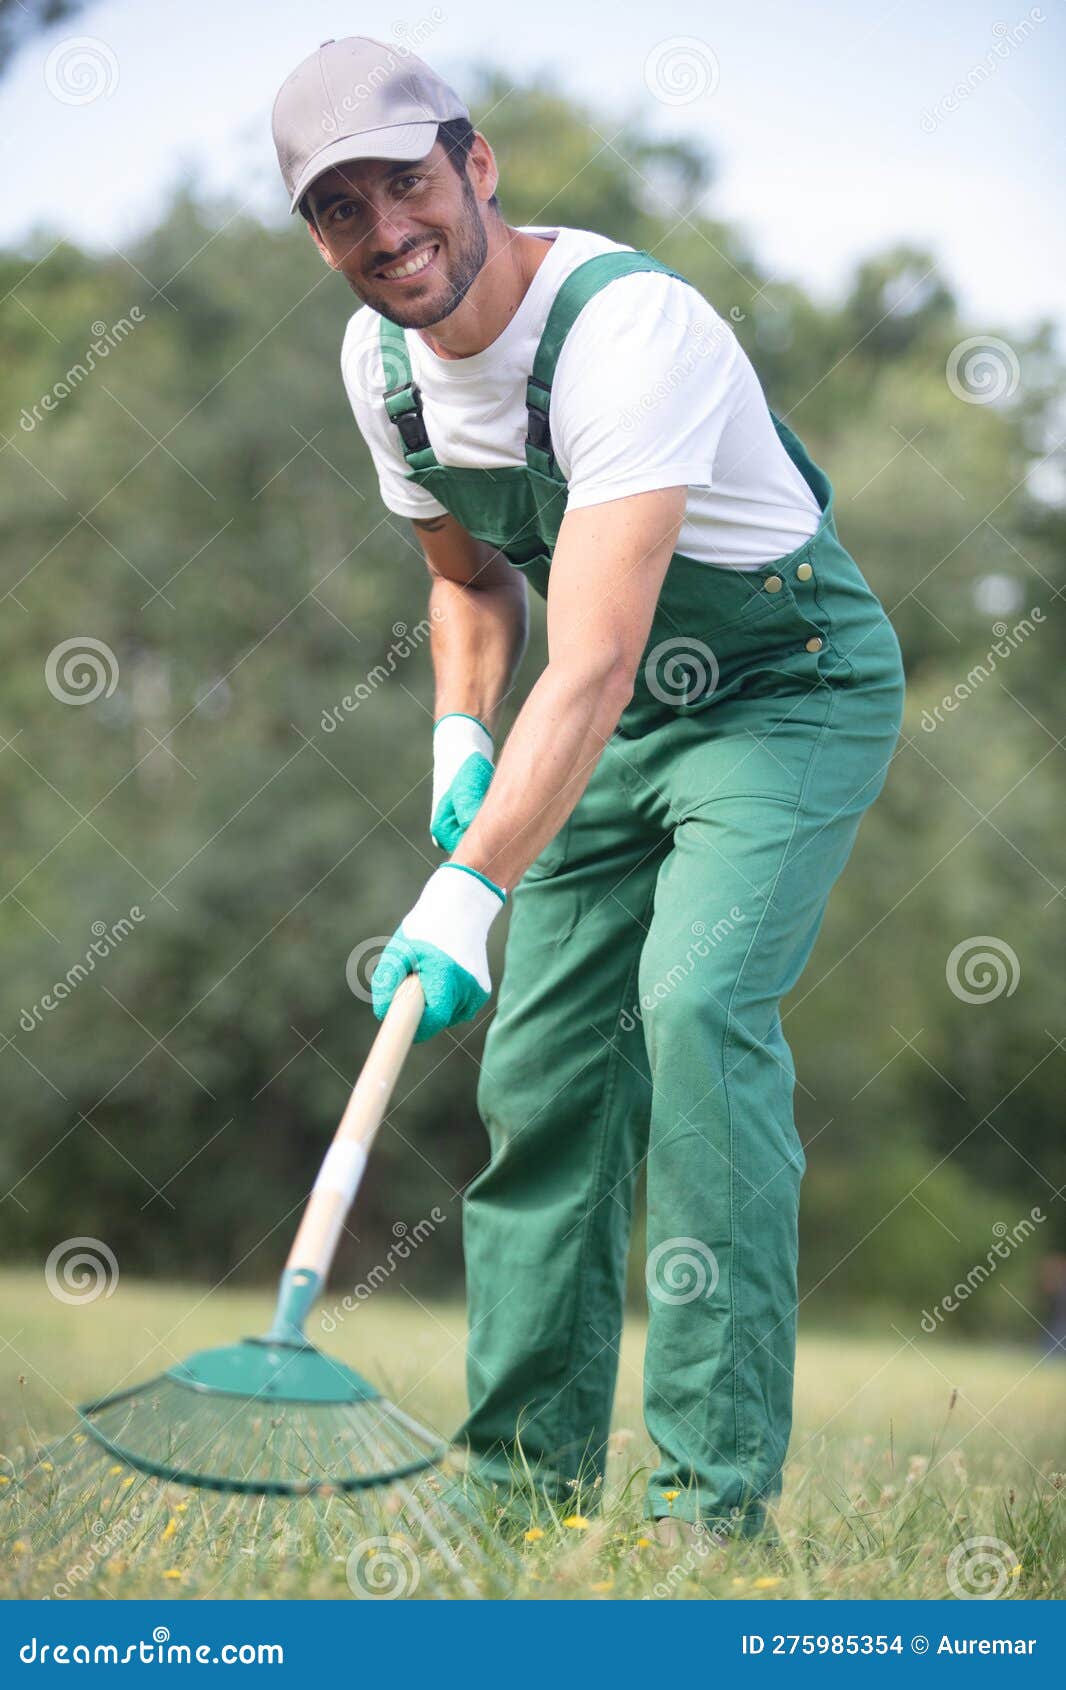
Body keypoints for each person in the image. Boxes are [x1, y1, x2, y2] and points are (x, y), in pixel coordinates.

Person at [272, 36, 906, 1540]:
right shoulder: (380, 371)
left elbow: (603, 654)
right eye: (341, 210)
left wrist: (467, 880)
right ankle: (520, 1498)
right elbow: (473, 579)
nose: (385, 232)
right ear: (317, 234)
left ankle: (707, 1506)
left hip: (780, 688)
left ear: (475, 166)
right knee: (542, 1075)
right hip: (592, 718)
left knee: (692, 1011)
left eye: (407, 186)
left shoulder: (630, 331)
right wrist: (456, 735)